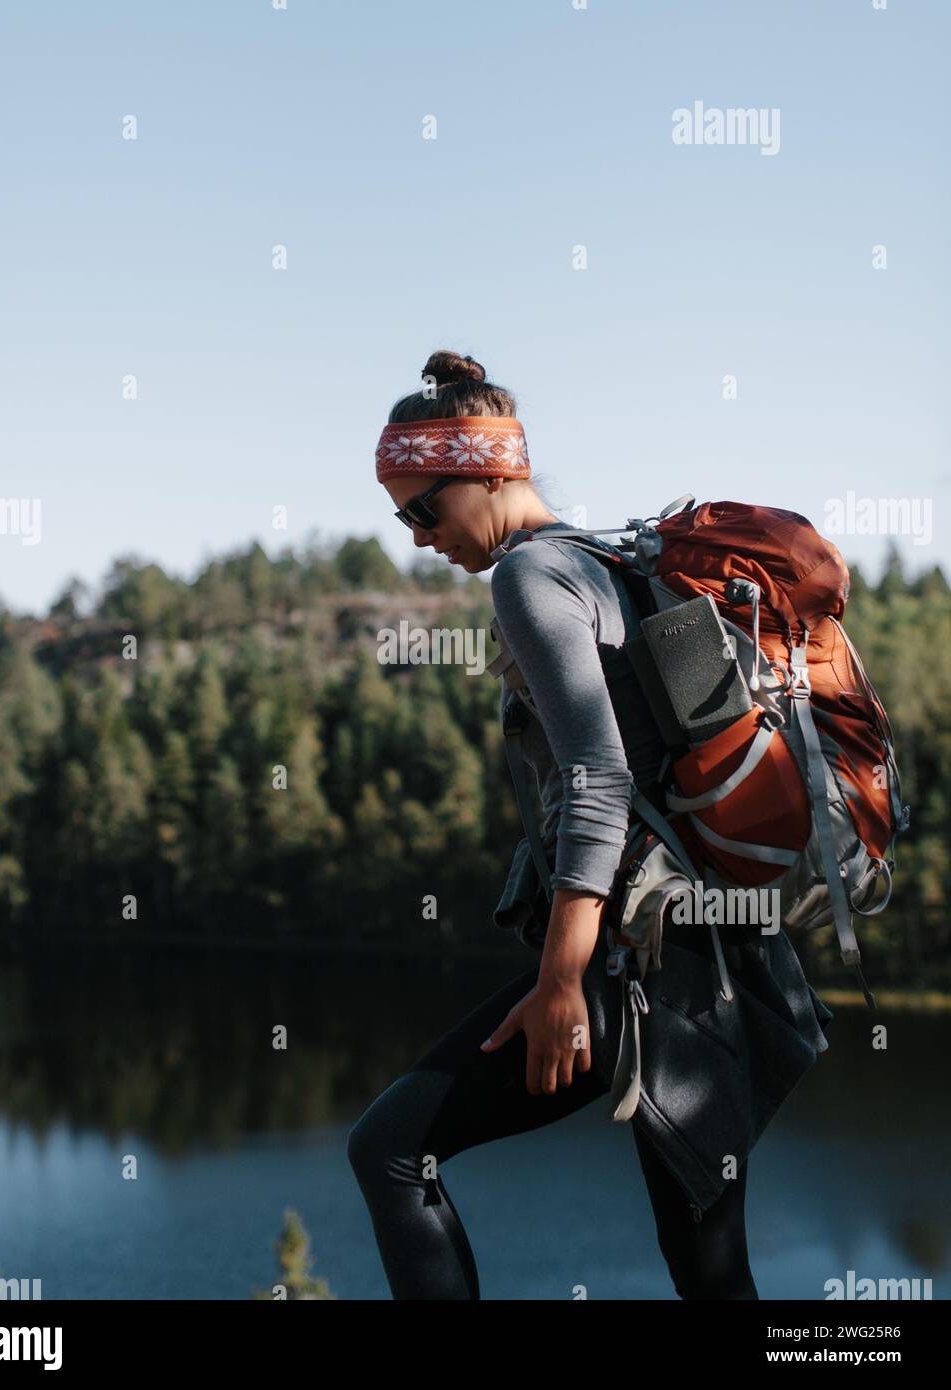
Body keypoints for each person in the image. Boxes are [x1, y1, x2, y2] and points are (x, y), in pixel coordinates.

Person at [347, 349, 830, 1300]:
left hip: (636, 968)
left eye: (422, 509)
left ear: (486, 472)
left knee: (394, 1151)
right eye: (400, 515)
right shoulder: (609, 559)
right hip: (725, 959)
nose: (415, 537)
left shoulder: (529, 578)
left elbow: (599, 779)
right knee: (710, 1266)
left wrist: (561, 981)